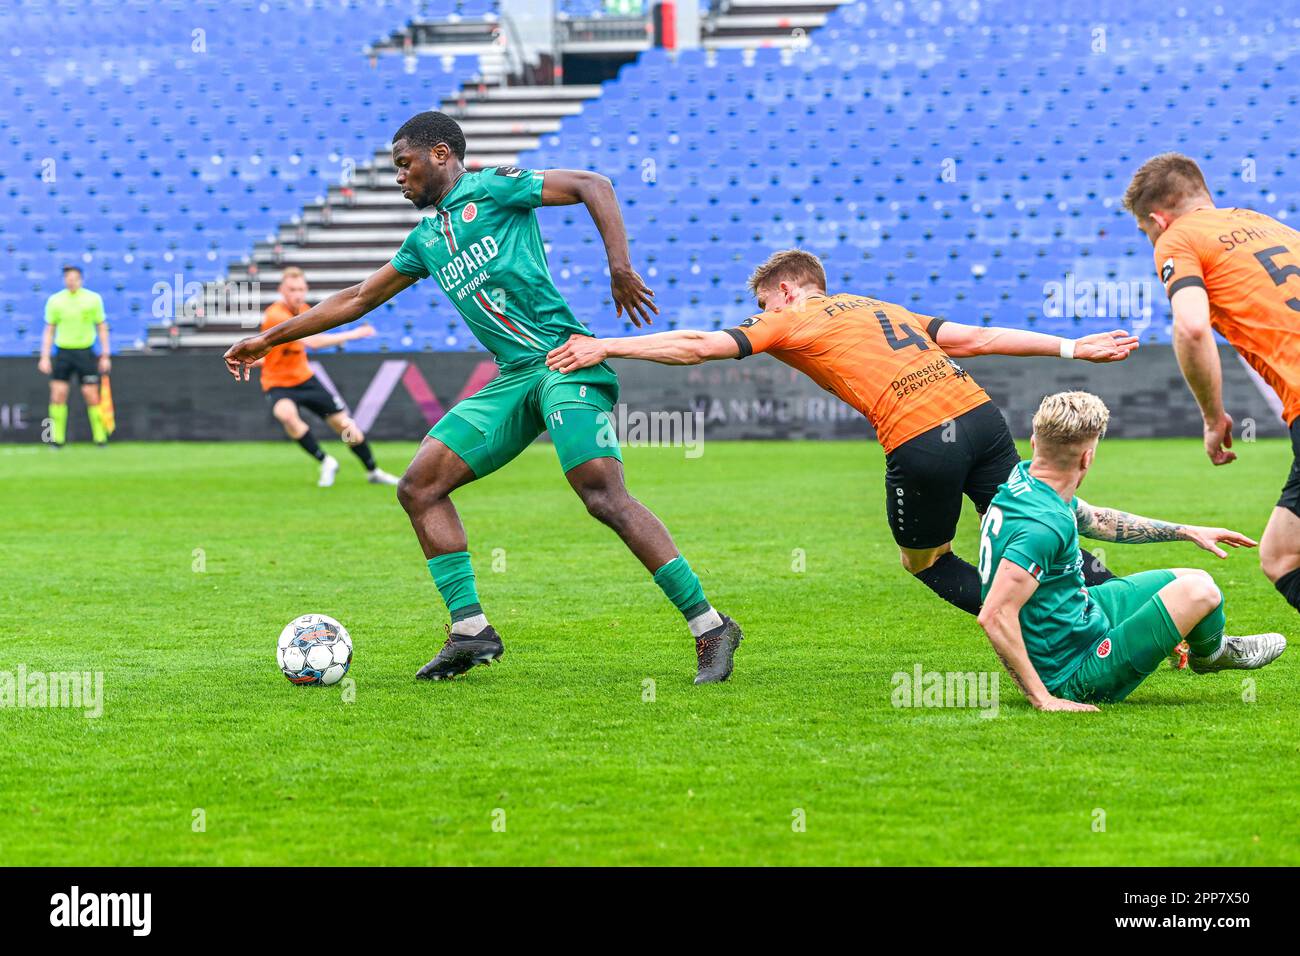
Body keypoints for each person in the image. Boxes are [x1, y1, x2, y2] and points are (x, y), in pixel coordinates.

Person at [222, 111, 743, 684]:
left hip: (564, 359)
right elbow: (357, 297)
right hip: (513, 376)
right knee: (419, 486)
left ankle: (710, 626)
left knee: (601, 494)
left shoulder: (493, 187)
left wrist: (619, 267)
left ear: (440, 154)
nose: (400, 178)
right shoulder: (424, 241)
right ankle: (470, 631)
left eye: (404, 164)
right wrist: (267, 338)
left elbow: (595, 185)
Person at [546, 248, 1138, 614]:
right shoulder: (875, 306)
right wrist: (1071, 346)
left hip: (921, 439)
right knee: (1031, 520)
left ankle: (1040, 617)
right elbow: (976, 340)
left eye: (763, 303)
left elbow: (702, 345)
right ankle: (1112, 601)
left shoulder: (791, 316)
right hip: (980, 418)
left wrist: (606, 344)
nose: (763, 314)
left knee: (928, 562)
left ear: (786, 290)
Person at [977, 391, 1285, 711]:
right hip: (1073, 671)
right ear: (1088, 458)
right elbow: (995, 615)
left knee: (1192, 578)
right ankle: (1211, 653)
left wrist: (1187, 532)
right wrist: (1043, 698)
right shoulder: (1045, 524)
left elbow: (1097, 520)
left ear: (1036, 442)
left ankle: (1211, 651)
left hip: (1080, 613)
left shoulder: (1025, 478)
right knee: (1199, 592)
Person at [1123, 152, 1300, 618]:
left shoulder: (1178, 238)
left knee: (1283, 557)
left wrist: (1211, 416)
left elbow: (1192, 328)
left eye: (1145, 233)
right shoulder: (1267, 224)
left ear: (1158, 219)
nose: (1151, 242)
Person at [258, 267, 398, 487]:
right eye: (292, 289)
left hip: (305, 379)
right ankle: (325, 461)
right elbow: (313, 343)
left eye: (301, 289)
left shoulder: (303, 310)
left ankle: (372, 470)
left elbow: (277, 352)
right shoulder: (276, 315)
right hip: (278, 383)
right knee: (286, 415)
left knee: (346, 428)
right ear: (281, 291)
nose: (298, 294)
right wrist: (355, 334)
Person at [37, 265, 110, 448]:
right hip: (63, 352)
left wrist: (105, 354)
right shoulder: (55, 301)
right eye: (68, 278)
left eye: (74, 278)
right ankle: (56, 439)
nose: (71, 281)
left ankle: (100, 438)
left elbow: (101, 327)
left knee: (91, 394)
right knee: (58, 395)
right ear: (64, 280)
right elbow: (49, 330)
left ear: (80, 279)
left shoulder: (93, 299)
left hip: (85, 351)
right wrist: (44, 356)